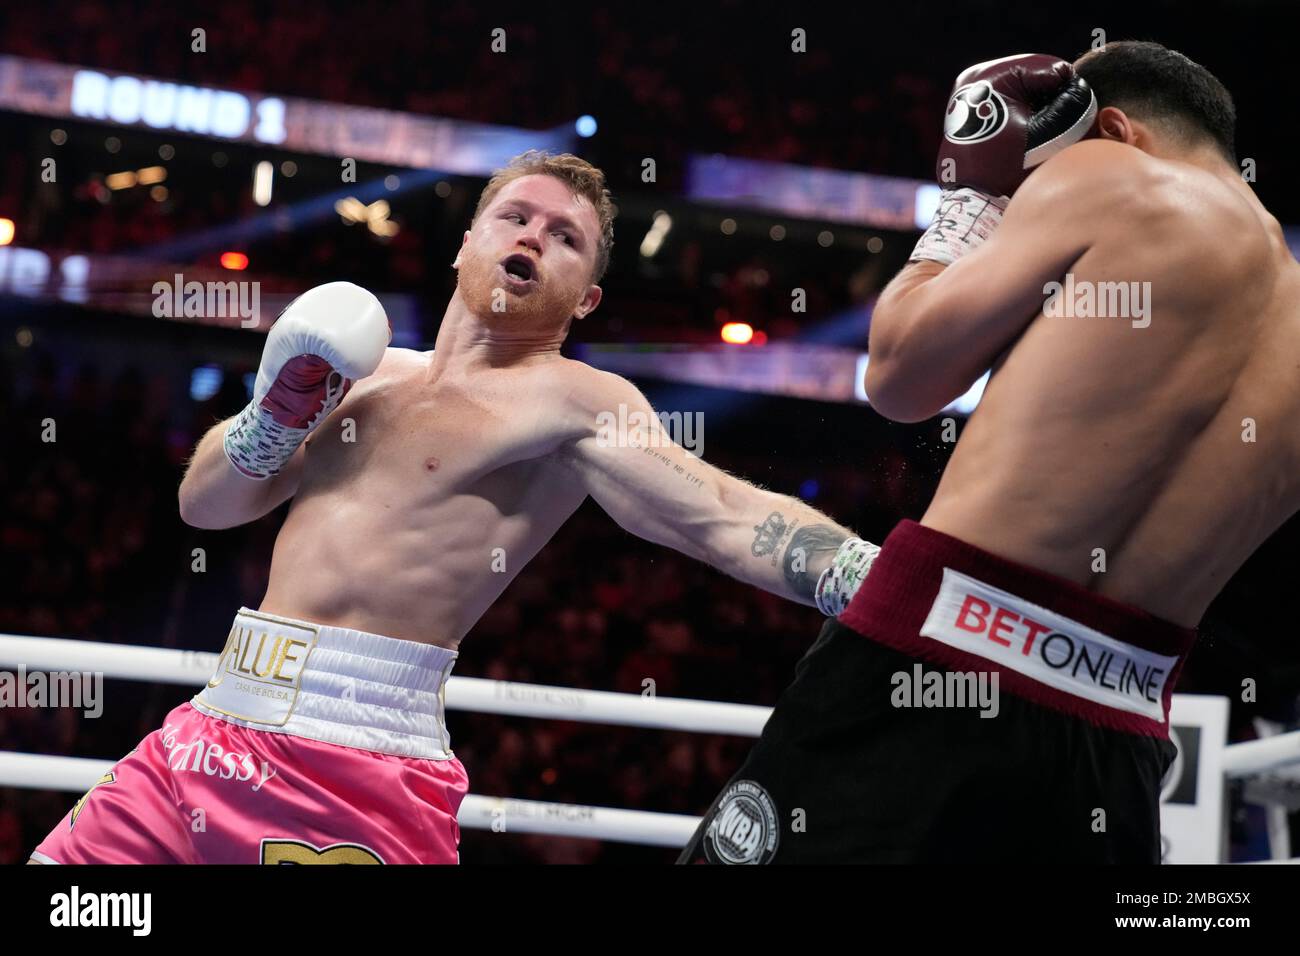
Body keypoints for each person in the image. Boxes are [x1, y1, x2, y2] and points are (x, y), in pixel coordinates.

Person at [28, 151, 875, 865]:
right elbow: (204, 506)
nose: (534, 237)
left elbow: (718, 514)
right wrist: (274, 414)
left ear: (585, 300)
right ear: (467, 242)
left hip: (352, 765)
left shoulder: (574, 400)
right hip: (211, 725)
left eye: (566, 237)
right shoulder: (364, 374)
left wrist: (880, 578)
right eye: (517, 217)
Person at [680, 42, 1300, 864]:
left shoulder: (1110, 175)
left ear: (1114, 127)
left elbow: (900, 377)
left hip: (934, 656)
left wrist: (970, 204)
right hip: (1118, 733)